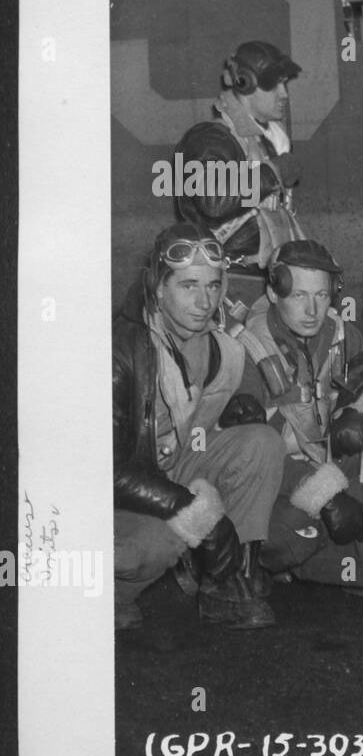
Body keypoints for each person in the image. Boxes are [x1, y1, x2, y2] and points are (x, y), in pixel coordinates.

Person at [113, 223, 283, 631]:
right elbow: (104, 469)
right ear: (158, 287)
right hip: (114, 488)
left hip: (168, 465)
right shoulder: (119, 352)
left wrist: (236, 411)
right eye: (188, 285)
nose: (204, 301)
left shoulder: (222, 348)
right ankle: (103, 597)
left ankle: (228, 582)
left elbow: (193, 426)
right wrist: (197, 512)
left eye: (212, 285)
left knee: (260, 442)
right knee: (150, 546)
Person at [233, 239, 363, 601]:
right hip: (279, 476)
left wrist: (362, 413)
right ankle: (322, 559)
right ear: (274, 292)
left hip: (331, 457)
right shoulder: (246, 350)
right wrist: (323, 494)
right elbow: (247, 455)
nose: (312, 309)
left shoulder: (341, 334)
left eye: (321, 295)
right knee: (280, 541)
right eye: (299, 295)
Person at [176, 41, 307, 319]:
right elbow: (214, 200)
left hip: (263, 280)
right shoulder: (209, 139)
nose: (284, 94)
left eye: (285, 84)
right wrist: (274, 172)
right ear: (244, 84)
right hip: (228, 285)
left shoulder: (266, 142)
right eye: (273, 85)